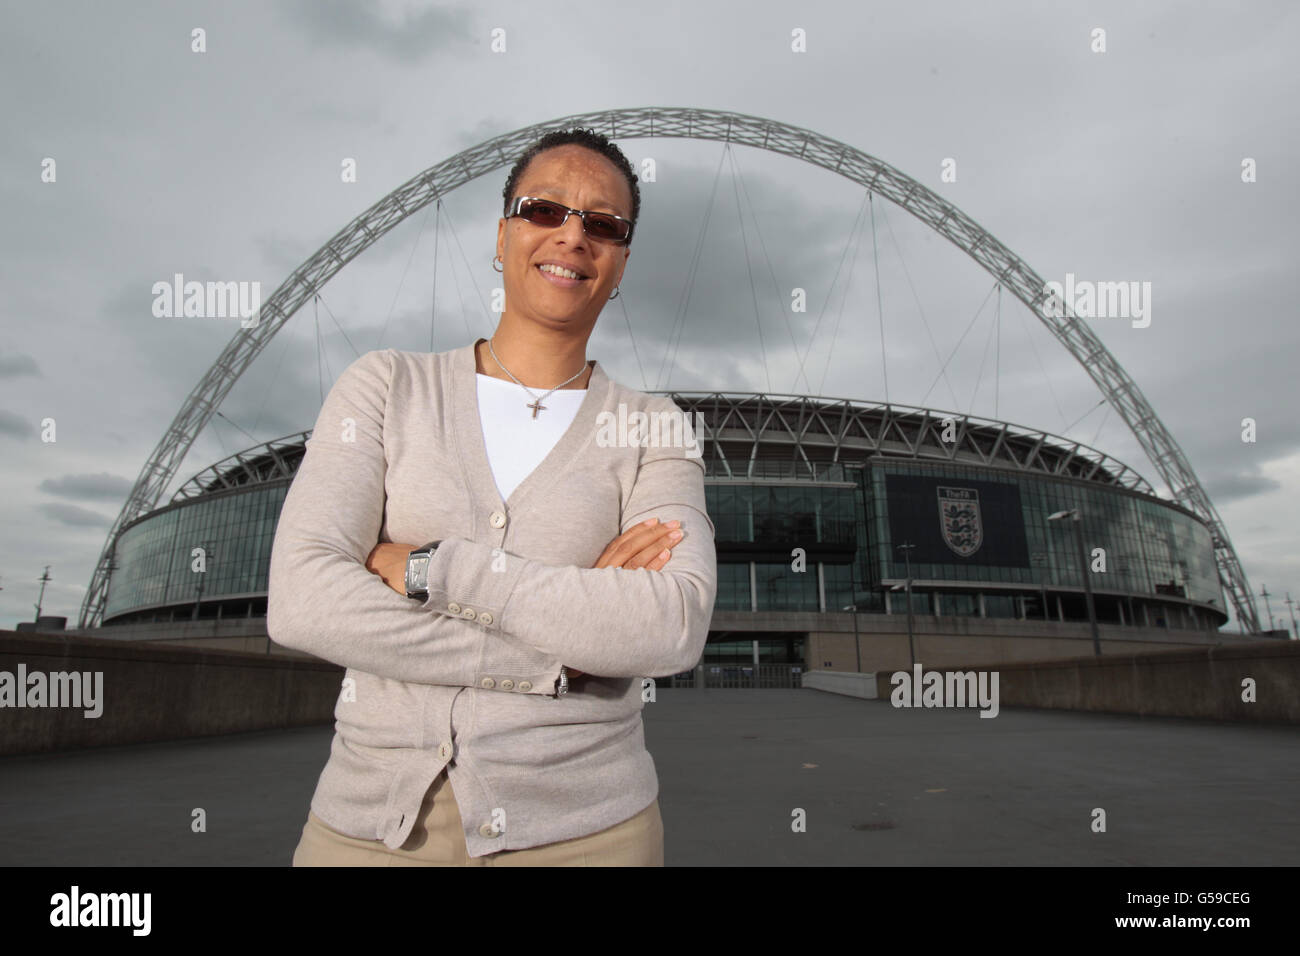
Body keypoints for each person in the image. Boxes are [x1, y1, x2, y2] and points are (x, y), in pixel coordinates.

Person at [268, 126, 718, 866]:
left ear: (622, 262)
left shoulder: (653, 425)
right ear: (502, 235)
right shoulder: (385, 386)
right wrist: (561, 659)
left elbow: (670, 625)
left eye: (603, 224)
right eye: (545, 210)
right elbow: (303, 598)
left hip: (586, 833)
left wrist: (431, 570)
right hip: (367, 828)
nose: (573, 236)